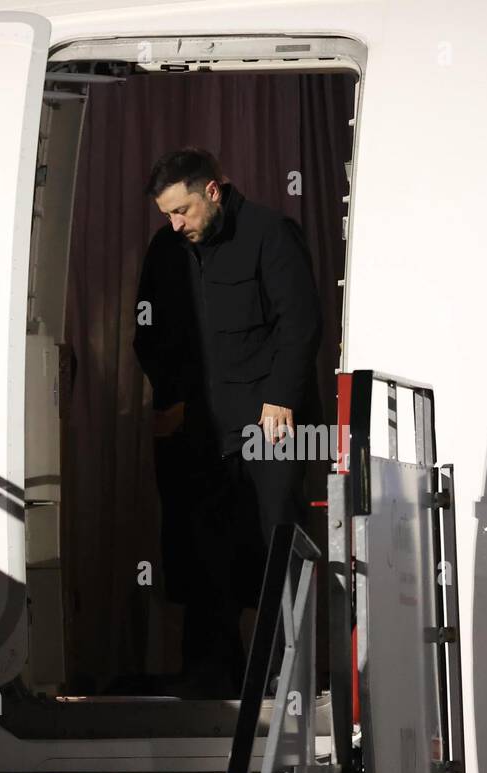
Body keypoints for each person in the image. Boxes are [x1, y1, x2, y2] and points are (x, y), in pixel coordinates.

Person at [133, 147, 322, 696]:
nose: (175, 223)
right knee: (201, 553)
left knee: (276, 545)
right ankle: (213, 674)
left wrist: (281, 399)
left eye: (183, 210)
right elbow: (147, 331)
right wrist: (172, 398)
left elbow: (300, 322)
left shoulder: (270, 233)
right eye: (167, 213)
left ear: (212, 191)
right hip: (197, 429)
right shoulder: (166, 248)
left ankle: (288, 675)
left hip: (269, 427)